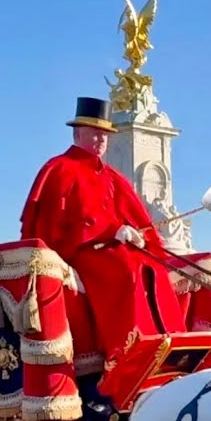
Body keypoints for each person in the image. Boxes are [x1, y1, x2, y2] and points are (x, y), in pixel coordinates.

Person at [20, 96, 185, 360]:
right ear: (77, 134)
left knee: (152, 265)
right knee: (127, 269)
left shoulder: (113, 177)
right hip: (80, 252)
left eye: (104, 136)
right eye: (94, 134)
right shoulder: (59, 169)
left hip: (113, 247)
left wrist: (141, 236)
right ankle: (126, 352)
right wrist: (111, 232)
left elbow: (136, 219)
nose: (100, 141)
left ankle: (169, 343)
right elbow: (56, 226)